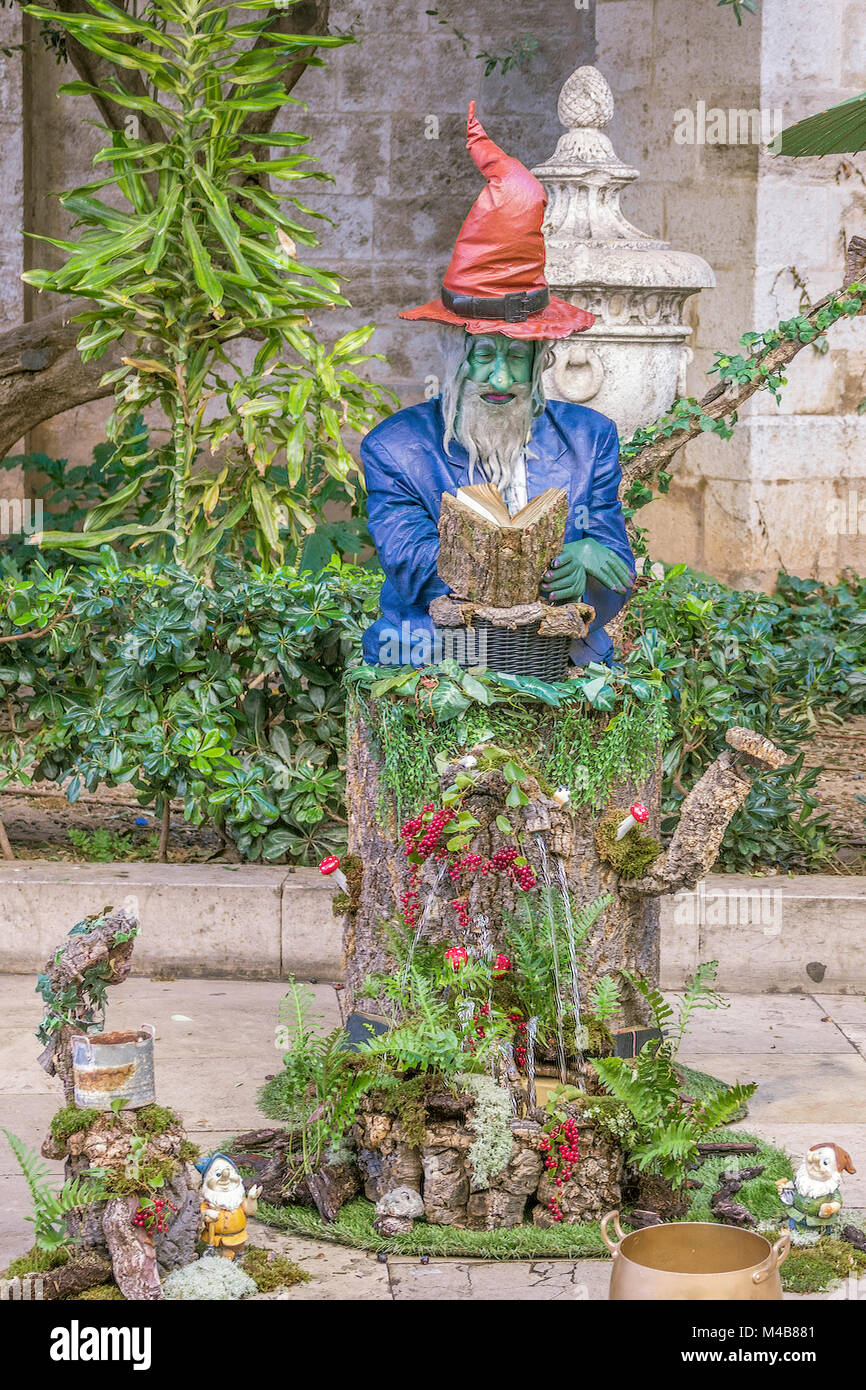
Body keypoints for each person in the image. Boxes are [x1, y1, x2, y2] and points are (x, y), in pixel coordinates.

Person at [362, 102, 634, 669]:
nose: (501, 378)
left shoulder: (590, 440)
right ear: (454, 355)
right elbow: (423, 572)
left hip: (563, 658)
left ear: (542, 363)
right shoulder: (395, 450)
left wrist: (593, 565)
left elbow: (614, 575)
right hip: (439, 659)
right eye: (484, 356)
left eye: (519, 358)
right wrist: (556, 556)